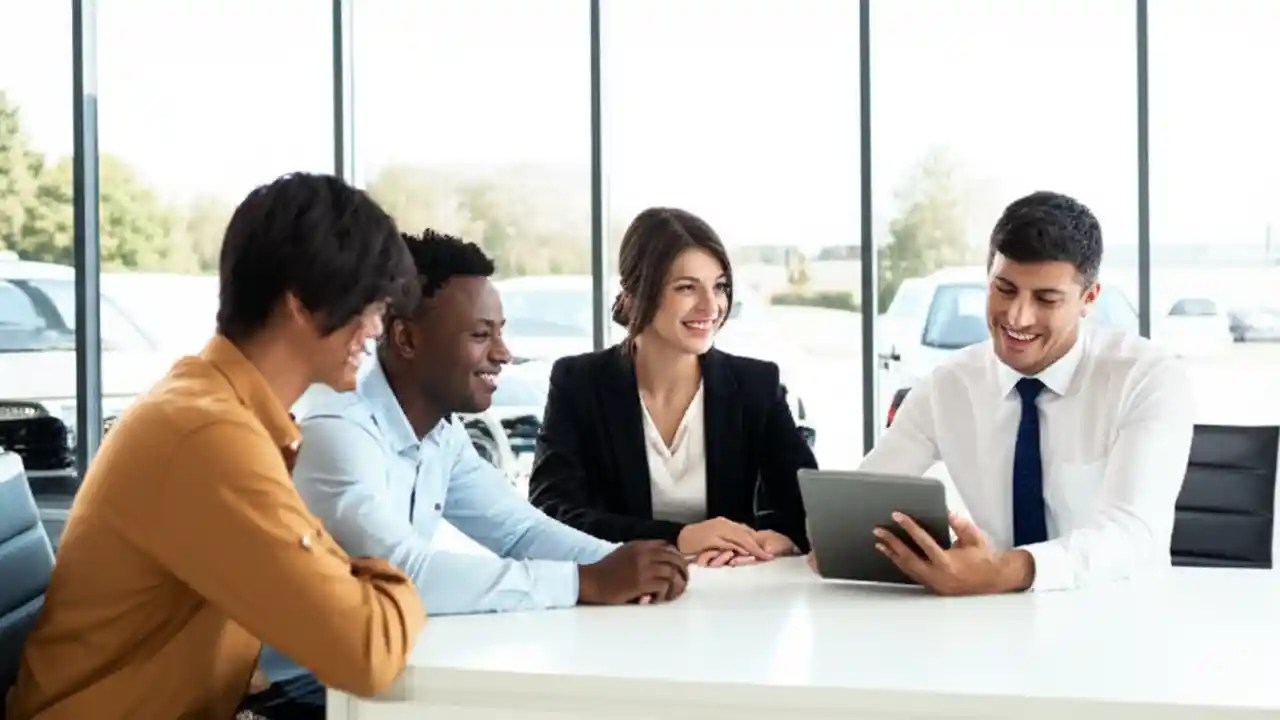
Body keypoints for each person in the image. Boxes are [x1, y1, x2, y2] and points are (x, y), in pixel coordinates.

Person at [6, 173, 426, 720]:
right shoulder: (207, 437)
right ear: (300, 303)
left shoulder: (217, 410)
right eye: (368, 305)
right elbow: (366, 648)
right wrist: (396, 579)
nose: (375, 328)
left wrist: (359, 583)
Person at [283, 229, 690, 618]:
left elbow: (518, 531)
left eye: (500, 333)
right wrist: (583, 581)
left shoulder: (440, 433)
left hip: (376, 672)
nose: (503, 354)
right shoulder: (338, 429)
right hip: (298, 687)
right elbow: (399, 571)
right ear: (406, 339)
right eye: (481, 335)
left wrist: (632, 564)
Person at [833, 190, 1194, 596]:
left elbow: (1131, 533)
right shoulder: (948, 385)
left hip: (1116, 614)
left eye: (1046, 299)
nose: (1018, 316)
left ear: (1088, 298)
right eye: (1004, 289)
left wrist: (1000, 571)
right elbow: (856, 504)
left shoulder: (1147, 377)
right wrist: (827, 541)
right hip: (996, 621)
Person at [529, 207, 815, 568]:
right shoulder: (580, 383)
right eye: (686, 288)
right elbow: (551, 513)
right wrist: (678, 538)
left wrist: (781, 538)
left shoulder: (755, 386)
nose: (711, 306)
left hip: (733, 598)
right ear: (635, 291)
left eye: (720, 287)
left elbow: (808, 507)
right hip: (620, 598)